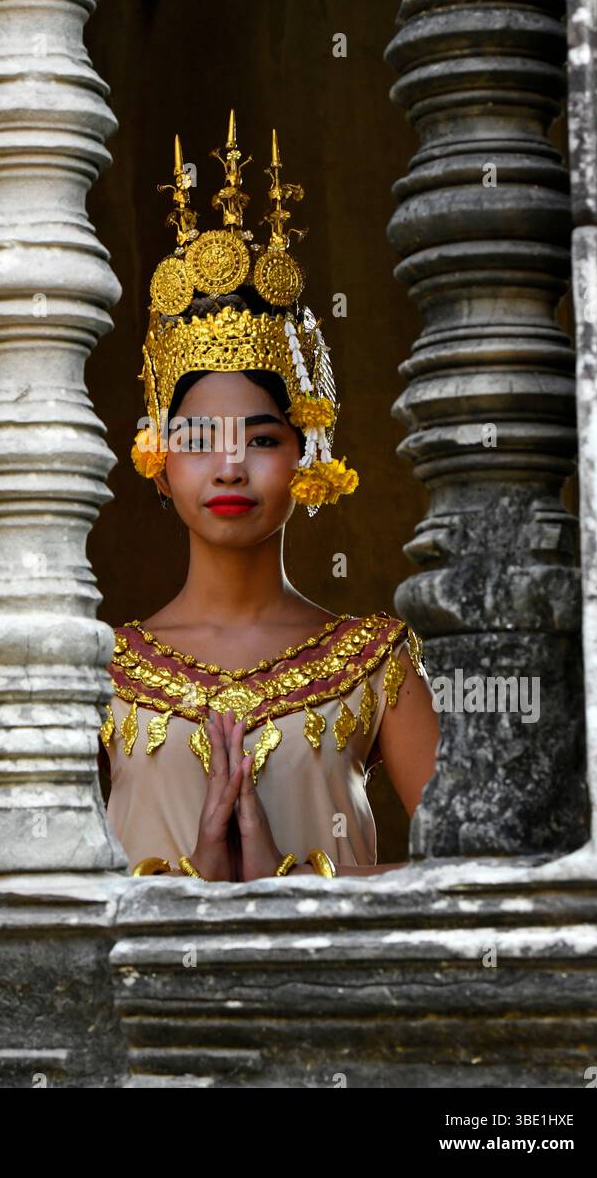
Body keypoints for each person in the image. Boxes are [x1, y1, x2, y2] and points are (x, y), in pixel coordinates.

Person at [98, 114, 440, 881]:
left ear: (306, 453)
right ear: (156, 459)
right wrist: (196, 883)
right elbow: (41, 894)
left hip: (325, 1000)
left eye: (260, 438)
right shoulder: (101, 673)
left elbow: (465, 874)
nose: (228, 467)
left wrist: (292, 887)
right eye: (196, 439)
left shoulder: (375, 662)